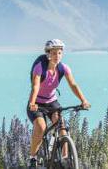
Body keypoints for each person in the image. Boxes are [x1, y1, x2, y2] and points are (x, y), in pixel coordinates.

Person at [27, 39, 90, 168]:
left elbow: (73, 85)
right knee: (41, 127)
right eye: (54, 53)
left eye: (60, 53)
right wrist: (32, 103)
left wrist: (83, 101)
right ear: (48, 54)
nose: (57, 56)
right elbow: (35, 87)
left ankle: (65, 158)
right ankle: (33, 158)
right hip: (37, 103)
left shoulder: (63, 68)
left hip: (52, 102)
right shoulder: (40, 67)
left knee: (62, 127)